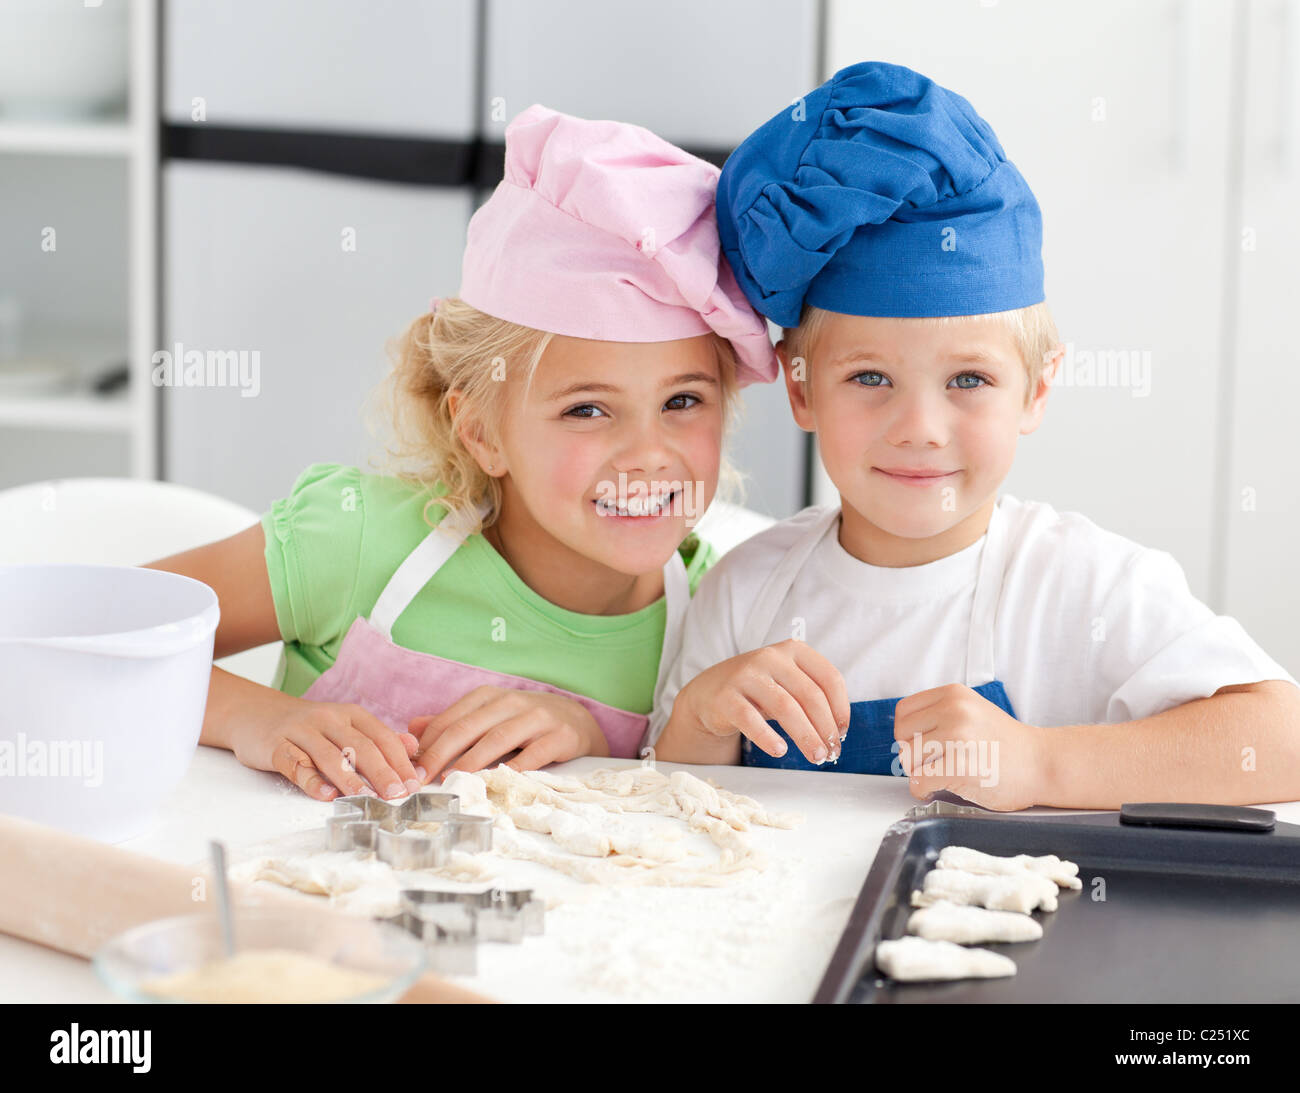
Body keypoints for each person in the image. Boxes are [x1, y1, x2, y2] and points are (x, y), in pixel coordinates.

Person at [648, 62, 1300, 811]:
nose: (920, 430)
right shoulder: (747, 592)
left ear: (1037, 388)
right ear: (801, 388)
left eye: (968, 381)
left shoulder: (1082, 587)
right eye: (869, 378)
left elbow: (1281, 739)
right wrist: (702, 716)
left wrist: (1043, 764)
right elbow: (665, 807)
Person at [146, 104, 776, 802]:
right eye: (586, 410)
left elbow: (685, 816)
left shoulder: (722, 615)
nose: (648, 455)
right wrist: (257, 719)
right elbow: (77, 636)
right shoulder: (358, 540)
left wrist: (591, 742)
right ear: (481, 431)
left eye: (682, 401)